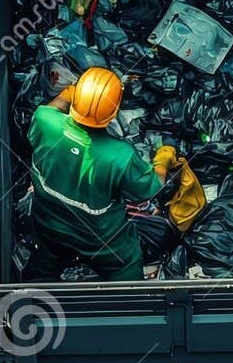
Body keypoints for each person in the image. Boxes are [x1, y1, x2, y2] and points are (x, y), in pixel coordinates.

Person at [27, 66, 164, 281]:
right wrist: (164, 159)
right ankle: (130, 297)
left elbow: (53, 107)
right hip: (100, 239)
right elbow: (150, 188)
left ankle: (32, 288)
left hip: (48, 225)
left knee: (45, 261)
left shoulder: (45, 121)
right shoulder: (119, 156)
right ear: (113, 113)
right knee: (126, 263)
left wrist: (69, 93)